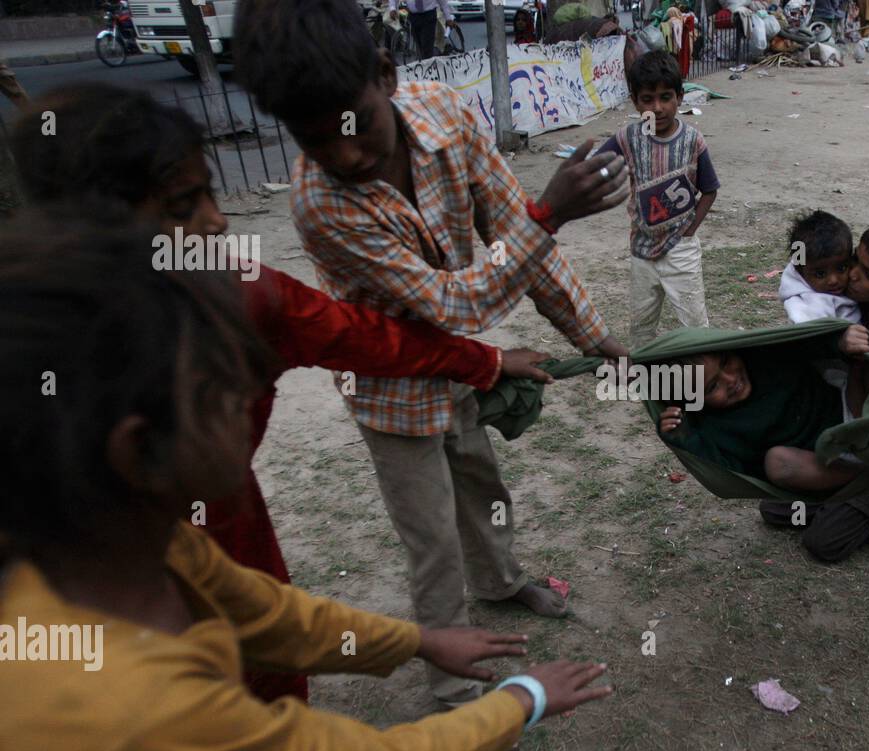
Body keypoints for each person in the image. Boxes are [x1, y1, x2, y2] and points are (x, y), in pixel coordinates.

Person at [0, 210, 613, 751]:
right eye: (234, 390)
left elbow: (266, 613)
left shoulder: (141, 546)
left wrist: (420, 641)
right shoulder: (150, 714)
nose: (258, 406)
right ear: (139, 450)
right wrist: (523, 698)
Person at [8, 83, 558, 704]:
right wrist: (512, 708)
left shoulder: (244, 294)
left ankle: (490, 593)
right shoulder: (37, 356)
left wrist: (483, 360)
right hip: (105, 601)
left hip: (229, 541)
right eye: (183, 205)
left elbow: (369, 338)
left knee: (264, 673)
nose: (217, 222)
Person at [234, 0, 629, 710]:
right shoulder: (319, 203)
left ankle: (502, 585)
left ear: (385, 75)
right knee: (432, 542)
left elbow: (511, 228)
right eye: (316, 140)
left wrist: (595, 339)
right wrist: (549, 216)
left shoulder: (445, 112)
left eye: (356, 129)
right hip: (391, 388)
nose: (345, 156)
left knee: (482, 487)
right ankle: (452, 692)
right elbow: (451, 304)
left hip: (462, 368)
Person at [760, 216, 869, 560]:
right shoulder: (845, 298)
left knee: (823, 543)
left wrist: (855, 363)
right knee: (775, 510)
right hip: (845, 429)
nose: (851, 275)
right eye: (855, 261)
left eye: (868, 275)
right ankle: (845, 490)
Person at [596, 50, 720, 348]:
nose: (658, 108)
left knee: (695, 323)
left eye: (666, 97)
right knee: (641, 323)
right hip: (641, 248)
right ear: (635, 101)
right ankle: (643, 374)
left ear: (680, 97)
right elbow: (596, 166)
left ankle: (704, 374)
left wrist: (690, 230)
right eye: (647, 99)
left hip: (681, 249)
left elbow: (710, 189)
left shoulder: (692, 141)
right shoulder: (627, 138)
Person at [657, 324, 869, 491]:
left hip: (853, 414)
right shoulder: (717, 428)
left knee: (858, 366)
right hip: (827, 460)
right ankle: (868, 473)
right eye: (713, 386)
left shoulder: (761, 355)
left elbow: (807, 343)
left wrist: (840, 342)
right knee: (777, 464)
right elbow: (726, 470)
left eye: (725, 362)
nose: (730, 379)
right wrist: (685, 437)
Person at [779, 210, 860, 325]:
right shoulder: (810, 306)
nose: (834, 280)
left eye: (841, 268)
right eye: (820, 274)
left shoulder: (805, 264)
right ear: (800, 271)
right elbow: (812, 336)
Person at [388, 0, 455, 60]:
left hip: (428, 16)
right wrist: (392, 8)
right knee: (419, 46)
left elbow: (442, 2)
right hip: (413, 16)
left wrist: (448, 18)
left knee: (426, 48)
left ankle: (428, 67)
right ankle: (423, 64)